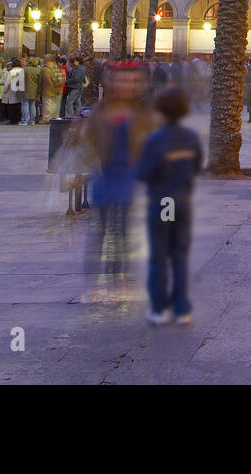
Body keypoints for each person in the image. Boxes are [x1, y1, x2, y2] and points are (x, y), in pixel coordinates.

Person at [83, 63, 151, 301]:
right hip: (105, 176)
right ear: (110, 84)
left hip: (128, 176)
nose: (126, 86)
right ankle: (93, 281)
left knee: (122, 229)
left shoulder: (140, 114)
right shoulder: (100, 112)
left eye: (131, 81)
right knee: (100, 229)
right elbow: (84, 142)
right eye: (121, 81)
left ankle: (119, 277)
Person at [137, 84, 203, 326]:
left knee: (159, 255)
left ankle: (158, 307)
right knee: (179, 255)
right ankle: (181, 308)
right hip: (183, 200)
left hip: (162, 201)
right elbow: (196, 167)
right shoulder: (190, 137)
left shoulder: (155, 140)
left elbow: (144, 173)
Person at [41, 55, 64, 123]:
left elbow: (44, 80)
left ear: (46, 60)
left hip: (47, 89)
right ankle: (55, 118)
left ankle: (47, 119)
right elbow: (60, 80)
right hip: (57, 89)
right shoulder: (56, 67)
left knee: (47, 104)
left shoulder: (45, 69)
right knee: (55, 105)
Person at [22, 55, 42, 125]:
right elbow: (40, 82)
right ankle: (32, 121)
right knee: (33, 105)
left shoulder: (25, 69)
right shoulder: (38, 70)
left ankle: (25, 120)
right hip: (35, 89)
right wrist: (39, 90)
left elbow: (20, 80)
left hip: (25, 89)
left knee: (25, 104)